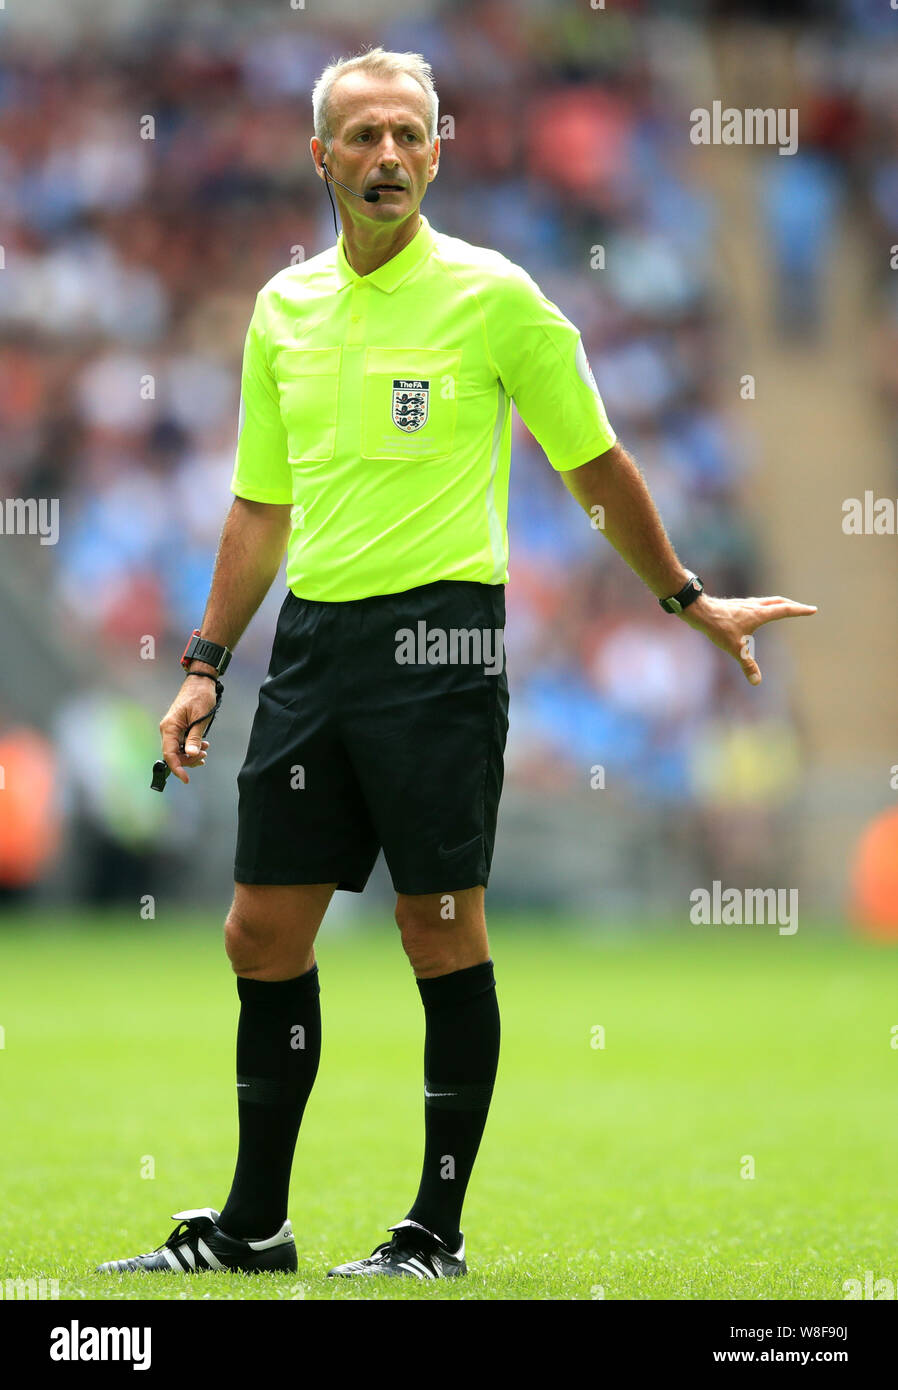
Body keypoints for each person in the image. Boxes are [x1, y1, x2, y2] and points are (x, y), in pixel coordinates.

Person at [97, 47, 815, 1281]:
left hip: (441, 645)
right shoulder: (286, 309)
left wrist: (685, 599)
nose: (387, 155)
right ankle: (254, 1226)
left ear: (441, 150)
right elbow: (258, 510)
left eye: (408, 135)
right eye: (363, 135)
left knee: (441, 932)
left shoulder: (498, 299)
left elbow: (593, 464)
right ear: (319, 155)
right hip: (314, 648)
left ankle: (433, 1229)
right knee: (259, 934)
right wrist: (207, 662)